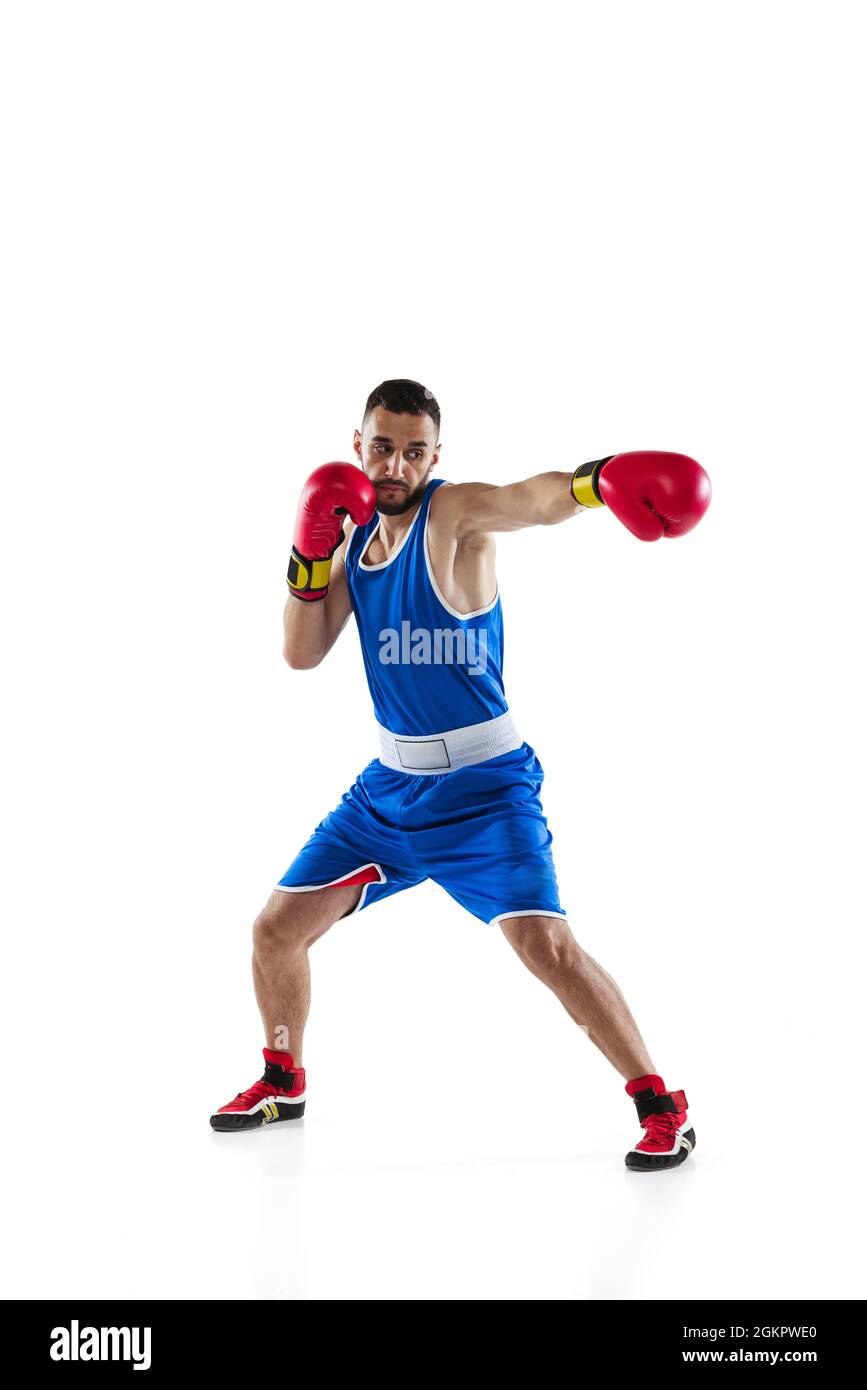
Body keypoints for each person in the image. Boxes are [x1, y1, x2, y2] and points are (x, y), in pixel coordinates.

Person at [210, 379, 711, 1170]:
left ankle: (662, 1107)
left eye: (413, 451)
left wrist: (598, 479)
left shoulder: (453, 518)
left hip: (484, 788)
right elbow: (301, 653)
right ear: (358, 446)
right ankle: (283, 1081)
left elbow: (530, 499)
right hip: (386, 794)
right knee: (275, 931)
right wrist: (309, 557)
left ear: (434, 456)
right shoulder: (348, 539)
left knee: (547, 949)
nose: (395, 465)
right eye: (382, 447)